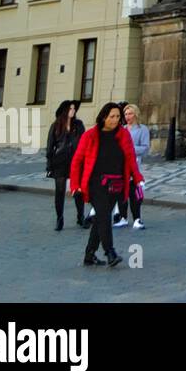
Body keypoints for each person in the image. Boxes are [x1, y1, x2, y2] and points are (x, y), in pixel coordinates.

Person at [71, 102, 143, 268]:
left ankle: (89, 255)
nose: (116, 120)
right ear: (104, 117)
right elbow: (77, 161)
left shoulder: (123, 135)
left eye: (118, 117)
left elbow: (130, 157)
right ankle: (110, 252)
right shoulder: (90, 135)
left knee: (100, 219)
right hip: (95, 183)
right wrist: (75, 185)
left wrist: (137, 177)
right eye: (112, 116)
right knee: (104, 216)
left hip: (116, 183)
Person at [45, 100, 85, 230]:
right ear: (65, 110)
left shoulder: (78, 125)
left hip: (76, 161)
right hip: (60, 161)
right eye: (70, 108)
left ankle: (80, 217)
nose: (73, 111)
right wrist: (49, 166)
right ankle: (59, 219)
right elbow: (50, 147)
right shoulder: (56, 125)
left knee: (78, 191)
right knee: (60, 192)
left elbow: (84, 142)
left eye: (74, 109)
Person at [115, 104, 149, 229]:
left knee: (135, 193)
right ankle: (123, 217)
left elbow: (145, 148)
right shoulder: (122, 129)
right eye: (126, 114)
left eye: (130, 113)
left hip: (134, 165)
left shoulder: (142, 129)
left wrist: (130, 149)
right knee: (121, 193)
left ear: (135, 114)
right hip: (121, 165)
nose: (127, 116)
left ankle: (137, 218)